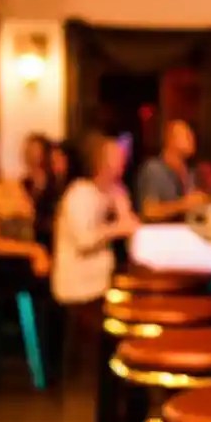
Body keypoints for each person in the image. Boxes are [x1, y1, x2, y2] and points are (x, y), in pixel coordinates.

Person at [52, 133, 139, 375]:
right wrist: (117, 228)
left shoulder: (110, 192)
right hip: (81, 287)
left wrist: (122, 206)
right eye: (115, 156)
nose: (122, 160)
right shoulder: (80, 193)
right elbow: (84, 239)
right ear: (99, 162)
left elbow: (132, 232)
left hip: (101, 283)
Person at [135, 119, 211, 222]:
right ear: (170, 140)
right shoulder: (154, 169)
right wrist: (182, 205)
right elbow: (148, 211)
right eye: (186, 135)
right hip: (161, 235)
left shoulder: (189, 172)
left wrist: (205, 200)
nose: (192, 139)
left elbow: (193, 203)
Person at [20, 133, 59, 248]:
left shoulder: (54, 184)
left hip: (49, 240)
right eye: (28, 150)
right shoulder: (23, 184)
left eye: (35, 150)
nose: (31, 154)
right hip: (28, 241)